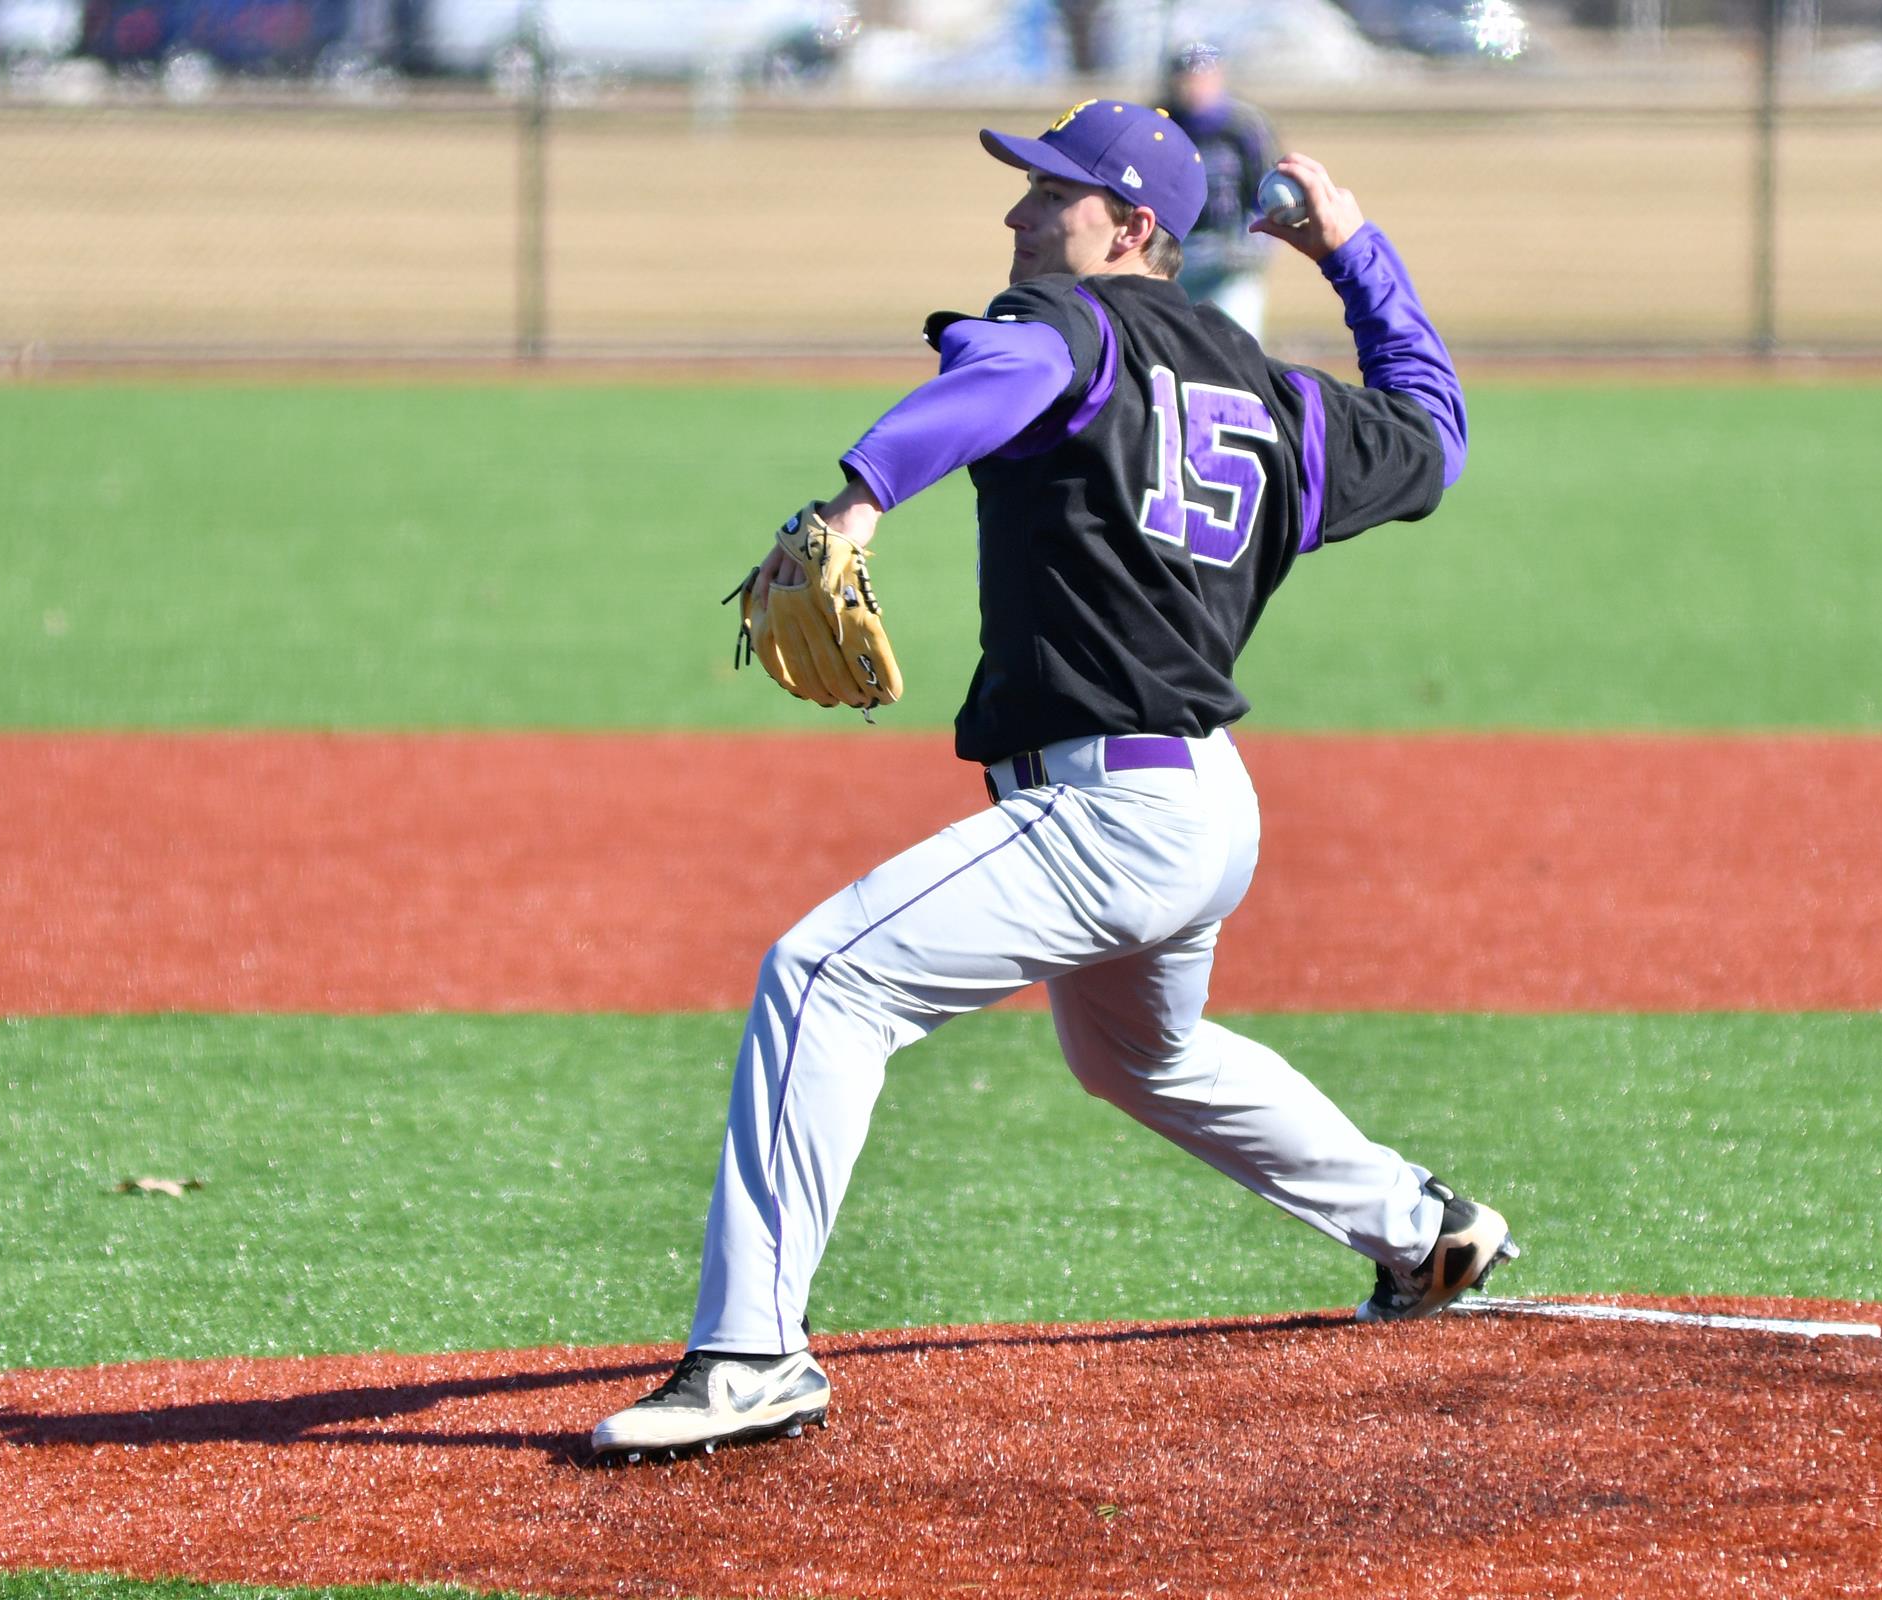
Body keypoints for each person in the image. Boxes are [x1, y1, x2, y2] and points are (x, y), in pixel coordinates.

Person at [590, 99, 1515, 1462]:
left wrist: (855, 503)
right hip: (1202, 803)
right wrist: (1354, 250)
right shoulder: (1279, 402)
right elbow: (1434, 440)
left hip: (1110, 811)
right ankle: (1419, 1227)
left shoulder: (1068, 331)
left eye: (1049, 195)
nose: (1019, 216)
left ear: (1132, 227)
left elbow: (988, 389)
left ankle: (750, 1358)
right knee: (1143, 1054)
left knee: (825, 977)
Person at [1163, 41, 1281, 338]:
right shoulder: (1160, 121)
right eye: (1187, 76)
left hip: (1229, 257)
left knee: (1237, 346)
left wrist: (1256, 241)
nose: (1195, 85)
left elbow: (1267, 191)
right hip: (1172, 257)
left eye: (1203, 75)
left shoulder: (1244, 125)